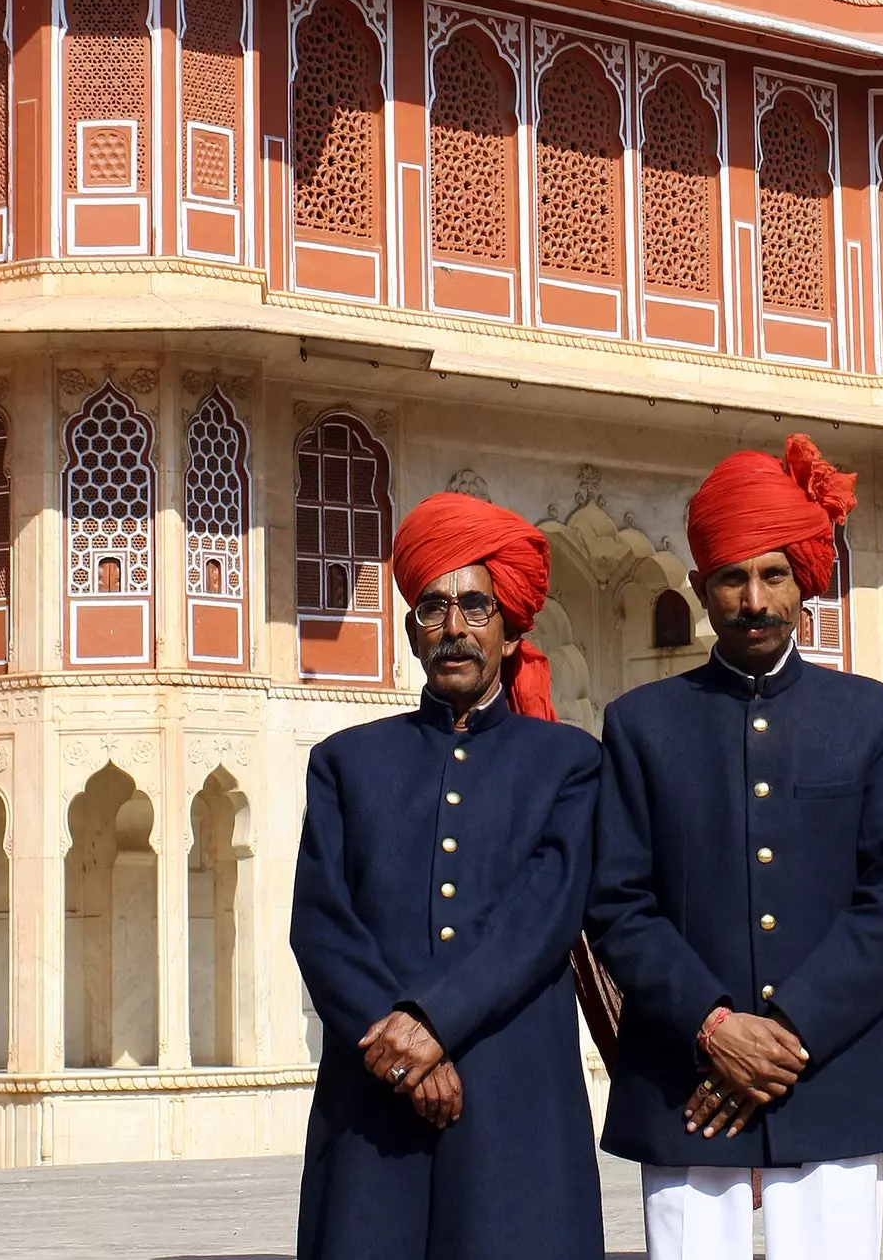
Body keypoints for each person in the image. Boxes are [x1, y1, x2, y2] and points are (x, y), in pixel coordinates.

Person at [588, 435, 883, 1260]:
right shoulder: (642, 727)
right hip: (690, 1078)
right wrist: (715, 1026)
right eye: (733, 577)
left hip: (831, 1068)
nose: (755, 599)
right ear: (700, 588)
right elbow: (619, 904)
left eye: (773, 575)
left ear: (805, 578)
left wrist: (788, 1031)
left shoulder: (868, 718)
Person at [290, 492, 604, 1260]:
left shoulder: (567, 763)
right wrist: (397, 1050)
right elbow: (322, 925)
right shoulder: (347, 763)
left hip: (513, 1099)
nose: (455, 629)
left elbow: (545, 915)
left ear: (508, 628)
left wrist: (429, 1024)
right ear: (410, 631)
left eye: (474, 607)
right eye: (433, 609)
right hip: (372, 1098)